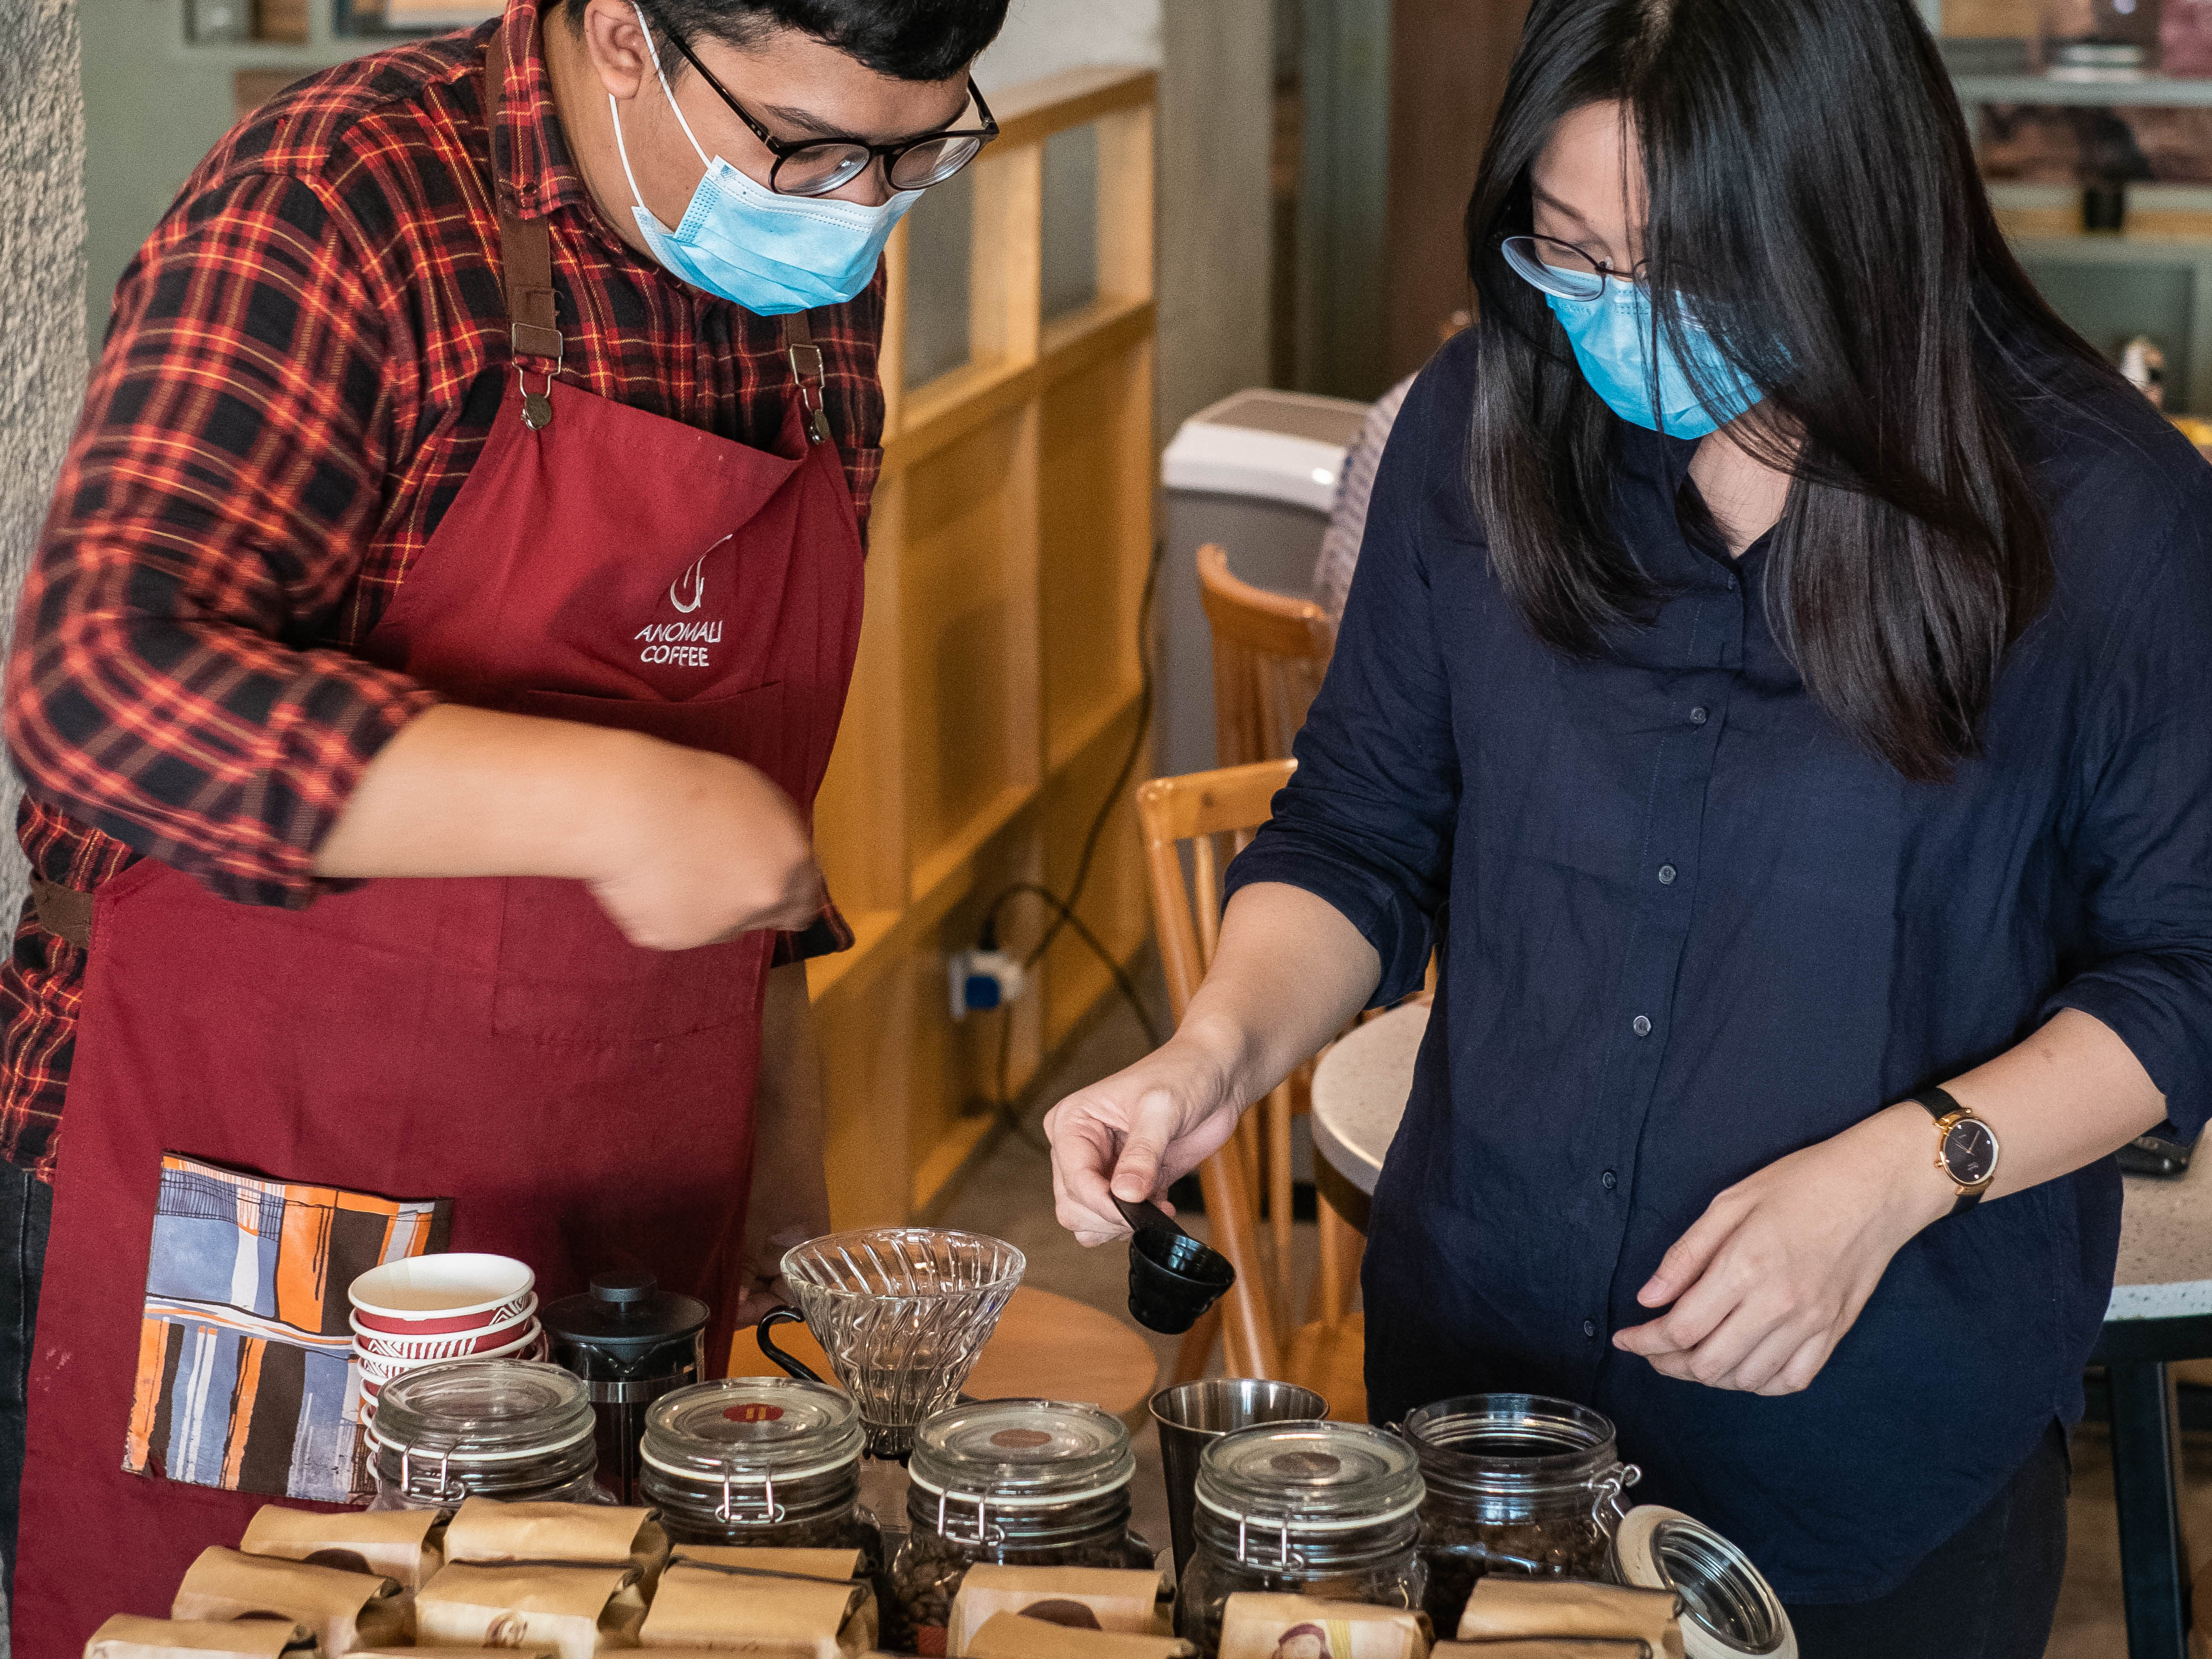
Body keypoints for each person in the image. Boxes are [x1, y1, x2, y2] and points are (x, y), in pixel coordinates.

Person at [1046, 1, 2212, 1653]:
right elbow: (1360, 833)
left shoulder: (2102, 516)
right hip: (1480, 1410)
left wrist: (1902, 1174)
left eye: (1690, 269)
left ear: (1856, 217)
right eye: (1571, 252)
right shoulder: (1483, 422)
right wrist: (1214, 1051)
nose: (1618, 317)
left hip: (1873, 1445)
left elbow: (2182, 973)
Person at [0, 0, 1004, 1645]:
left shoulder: (814, 275)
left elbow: (751, 803)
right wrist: (608, 795)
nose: (857, 208)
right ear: (622, 36)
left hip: (629, 1205)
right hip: (264, 1191)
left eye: (916, 154)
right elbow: (98, 685)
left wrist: (783, 1159)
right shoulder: (343, 203)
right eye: (811, 150)